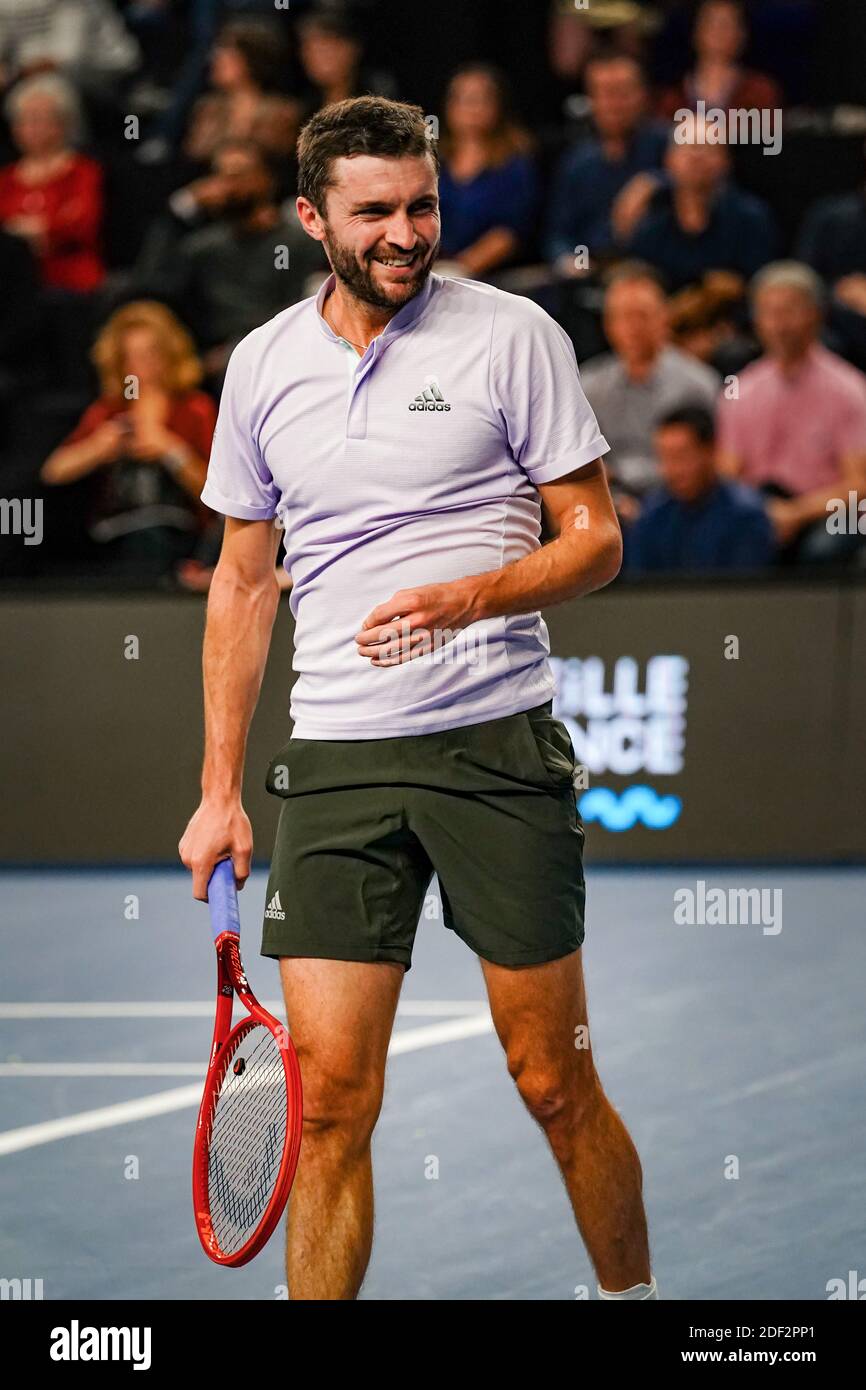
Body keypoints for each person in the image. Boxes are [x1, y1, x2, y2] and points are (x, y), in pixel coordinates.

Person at [179, 94, 659, 1304]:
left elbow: (595, 540)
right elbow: (242, 586)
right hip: (335, 762)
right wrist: (216, 791)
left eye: (423, 206)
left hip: (495, 744)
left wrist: (472, 596)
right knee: (332, 1105)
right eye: (375, 212)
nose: (406, 233)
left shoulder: (514, 337)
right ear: (310, 219)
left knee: (553, 1081)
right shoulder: (262, 367)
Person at [41, 301, 214, 580]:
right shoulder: (110, 409)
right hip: (115, 531)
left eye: (150, 355)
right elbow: (53, 471)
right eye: (131, 357)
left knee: (152, 540)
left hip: (178, 532)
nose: (141, 368)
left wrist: (171, 450)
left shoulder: (194, 408)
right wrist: (98, 448)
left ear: (170, 355)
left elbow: (219, 493)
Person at [134, 138, 327, 380]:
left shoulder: (300, 242)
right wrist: (183, 208)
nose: (228, 185)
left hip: (278, 353)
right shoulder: (204, 247)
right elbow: (150, 285)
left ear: (267, 179)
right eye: (221, 175)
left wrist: (236, 349)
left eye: (238, 174)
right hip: (208, 360)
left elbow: (306, 310)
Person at [717, 262, 866, 564]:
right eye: (769, 313)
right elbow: (727, 474)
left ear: (815, 315)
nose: (778, 325)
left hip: (822, 511)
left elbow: (859, 486)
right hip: (759, 509)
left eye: (788, 312)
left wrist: (796, 513)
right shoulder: (740, 389)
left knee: (822, 549)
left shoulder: (848, 389)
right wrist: (758, 513)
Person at [580, 263, 721, 503]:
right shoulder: (589, 385)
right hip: (610, 501)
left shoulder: (698, 384)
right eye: (622, 317)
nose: (632, 328)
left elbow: (707, 464)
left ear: (664, 318)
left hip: (678, 503)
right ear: (608, 325)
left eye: (642, 316)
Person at [619, 114, 776, 292]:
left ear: (726, 160)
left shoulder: (751, 220)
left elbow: (760, 289)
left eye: (708, 147)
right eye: (689, 147)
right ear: (669, 159)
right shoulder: (651, 227)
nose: (697, 157)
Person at [544, 54, 667, 271]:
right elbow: (559, 235)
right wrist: (574, 262)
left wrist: (653, 181)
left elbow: (705, 186)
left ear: (643, 95)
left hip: (660, 270)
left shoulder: (669, 146)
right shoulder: (577, 162)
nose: (615, 105)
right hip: (596, 270)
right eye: (604, 93)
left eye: (623, 93)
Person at [626, 405, 774, 572]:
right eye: (664, 458)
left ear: (710, 451)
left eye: (681, 456)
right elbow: (639, 590)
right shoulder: (650, 516)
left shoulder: (746, 515)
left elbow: (746, 591)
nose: (672, 469)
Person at [0, 74, 104, 291]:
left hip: (69, 279)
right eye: (23, 120)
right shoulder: (5, 178)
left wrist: (40, 231)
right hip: (11, 282)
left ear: (63, 123)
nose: (30, 128)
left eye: (38, 119)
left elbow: (82, 223)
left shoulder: (83, 171)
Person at [434, 63, 539, 277]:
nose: (470, 108)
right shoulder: (432, 159)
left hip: (493, 278)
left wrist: (459, 270)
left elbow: (510, 233)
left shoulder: (515, 165)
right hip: (431, 271)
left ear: (498, 105)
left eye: (479, 99)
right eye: (462, 98)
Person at [183, 19, 301, 170]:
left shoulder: (283, 112)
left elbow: (279, 161)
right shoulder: (207, 109)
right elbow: (195, 153)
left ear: (253, 59)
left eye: (227, 52)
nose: (216, 59)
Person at [656, 0, 782, 122]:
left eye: (727, 25)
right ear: (696, 31)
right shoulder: (673, 97)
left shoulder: (760, 92)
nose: (719, 32)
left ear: (742, 34)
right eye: (712, 23)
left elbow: (771, 138)